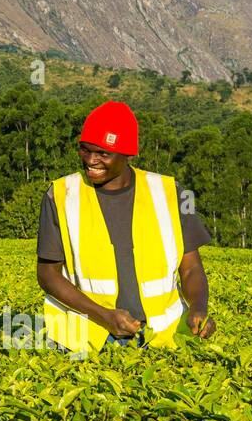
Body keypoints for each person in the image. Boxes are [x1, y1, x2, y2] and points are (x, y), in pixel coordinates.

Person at [36, 100, 216, 353]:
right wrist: (103, 316)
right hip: (85, 342)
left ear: (128, 154)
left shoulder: (171, 193)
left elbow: (191, 268)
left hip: (162, 339)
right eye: (85, 150)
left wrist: (198, 307)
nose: (90, 160)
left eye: (102, 153)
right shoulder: (60, 195)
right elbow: (47, 275)